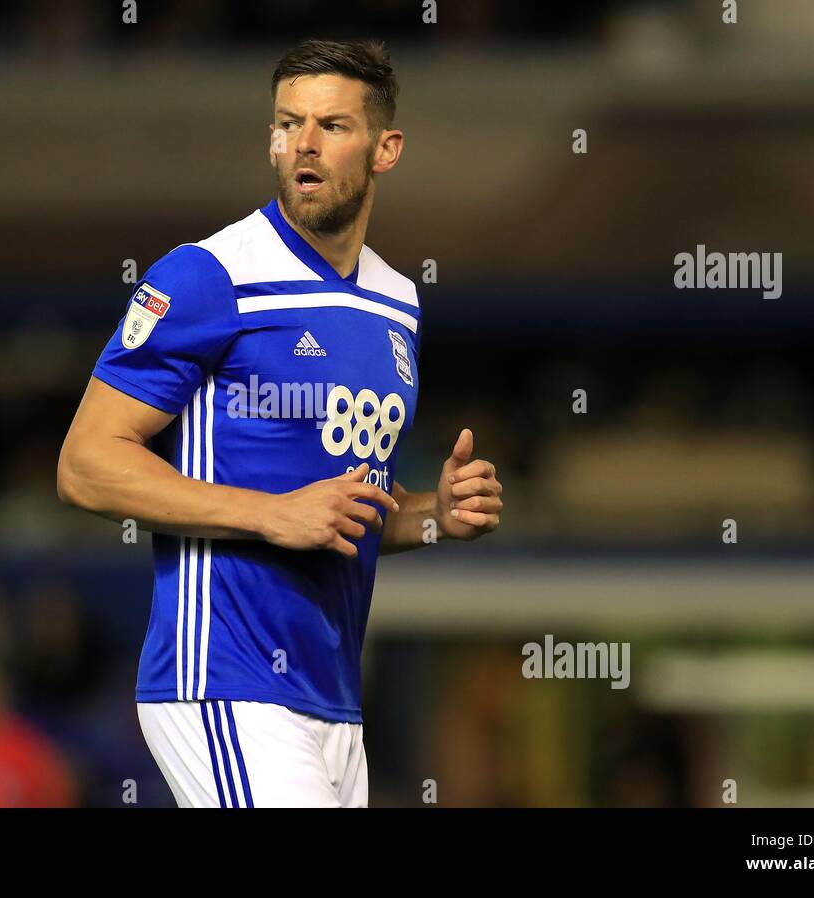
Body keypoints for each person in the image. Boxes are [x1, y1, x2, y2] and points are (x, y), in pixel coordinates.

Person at [57, 39, 502, 807]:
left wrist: (435, 515)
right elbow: (85, 464)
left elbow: (340, 514)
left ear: (385, 148)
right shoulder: (209, 274)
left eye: (332, 125)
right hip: (222, 680)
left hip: (333, 697)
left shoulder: (397, 300)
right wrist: (270, 515)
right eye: (287, 123)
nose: (303, 143)